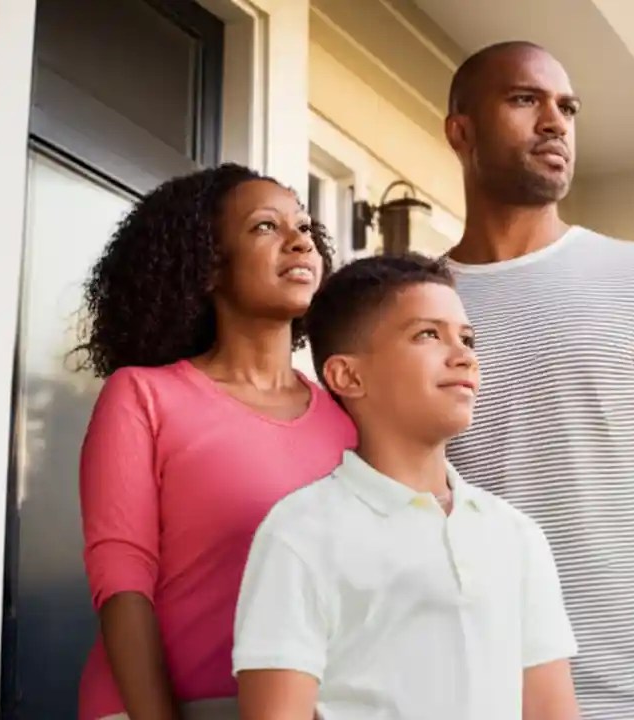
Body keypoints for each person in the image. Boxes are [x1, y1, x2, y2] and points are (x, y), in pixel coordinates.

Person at [441, 41, 634, 719]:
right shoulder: (416, 309)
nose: (555, 121)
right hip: (474, 696)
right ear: (460, 131)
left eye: (568, 107)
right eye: (526, 100)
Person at [232, 254, 581, 720]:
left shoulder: (518, 536)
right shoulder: (299, 534)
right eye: (427, 335)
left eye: (467, 338)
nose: (463, 355)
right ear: (349, 376)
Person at [74, 163, 357, 720]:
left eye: (302, 225)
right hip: (150, 708)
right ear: (208, 268)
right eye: (264, 227)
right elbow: (122, 579)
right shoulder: (143, 396)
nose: (299, 239)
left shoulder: (346, 419)